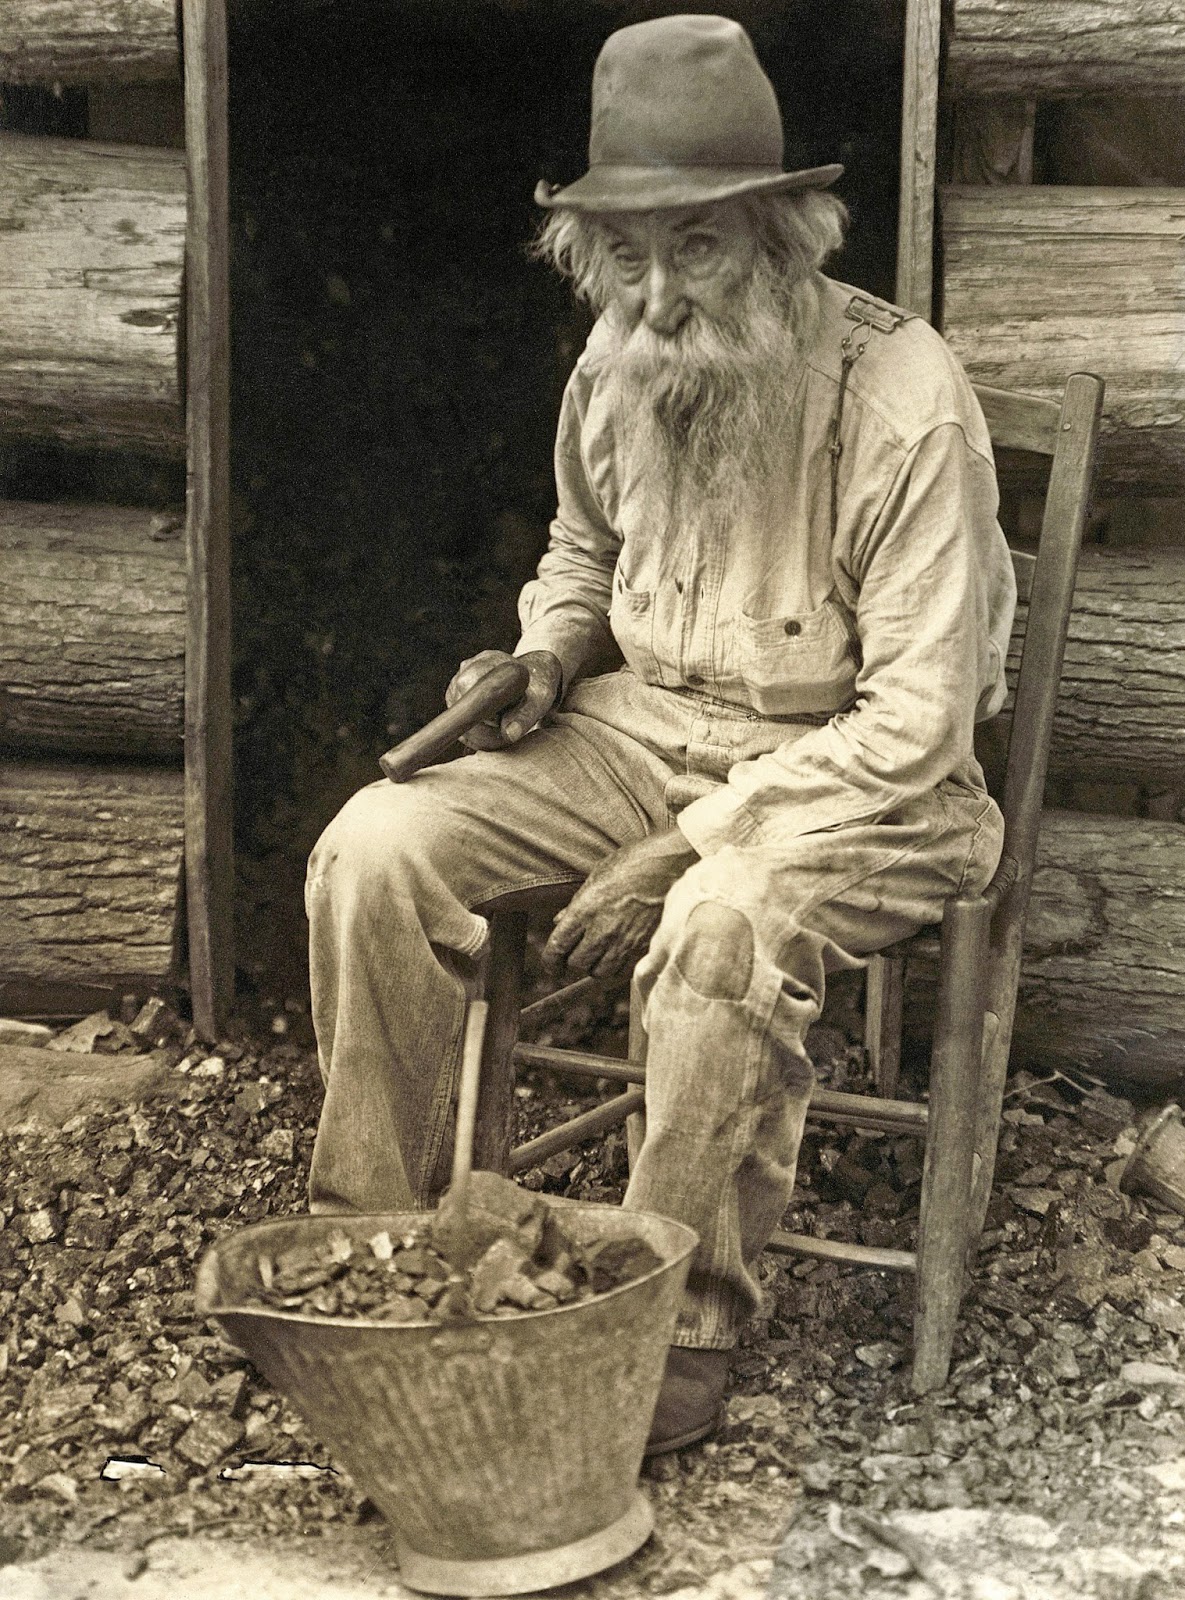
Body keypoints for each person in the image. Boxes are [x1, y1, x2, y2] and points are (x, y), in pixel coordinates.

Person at [305, 14, 1015, 1452]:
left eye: (692, 246)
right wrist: (547, 651)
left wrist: (683, 844)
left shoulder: (902, 403)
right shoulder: (616, 355)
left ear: (781, 233)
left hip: (867, 778)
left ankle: (675, 1318)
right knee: (375, 846)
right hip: (643, 728)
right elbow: (581, 545)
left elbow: (918, 726)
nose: (655, 290)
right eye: (622, 253)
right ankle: (369, 1249)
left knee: (717, 924)